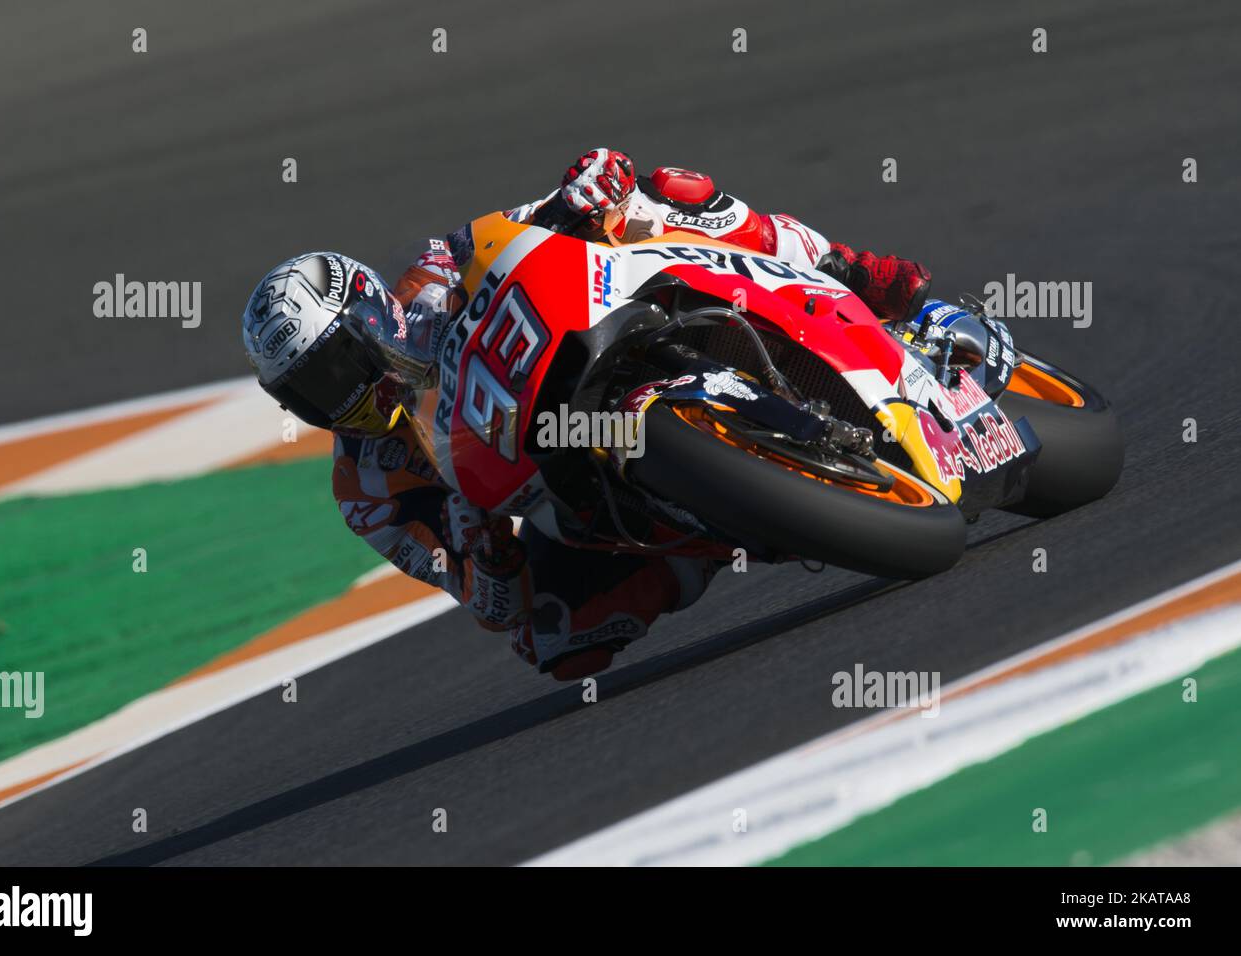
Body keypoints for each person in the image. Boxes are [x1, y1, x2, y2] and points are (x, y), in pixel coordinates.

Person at [242, 148, 930, 680]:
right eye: (312, 392)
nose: (342, 398)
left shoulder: (435, 270)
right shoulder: (367, 491)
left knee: (666, 193)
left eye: (337, 366)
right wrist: (482, 545)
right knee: (551, 639)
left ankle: (848, 271)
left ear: (370, 313)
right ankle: (725, 529)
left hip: (594, 326)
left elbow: (522, 222)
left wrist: (585, 190)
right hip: (559, 473)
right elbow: (491, 607)